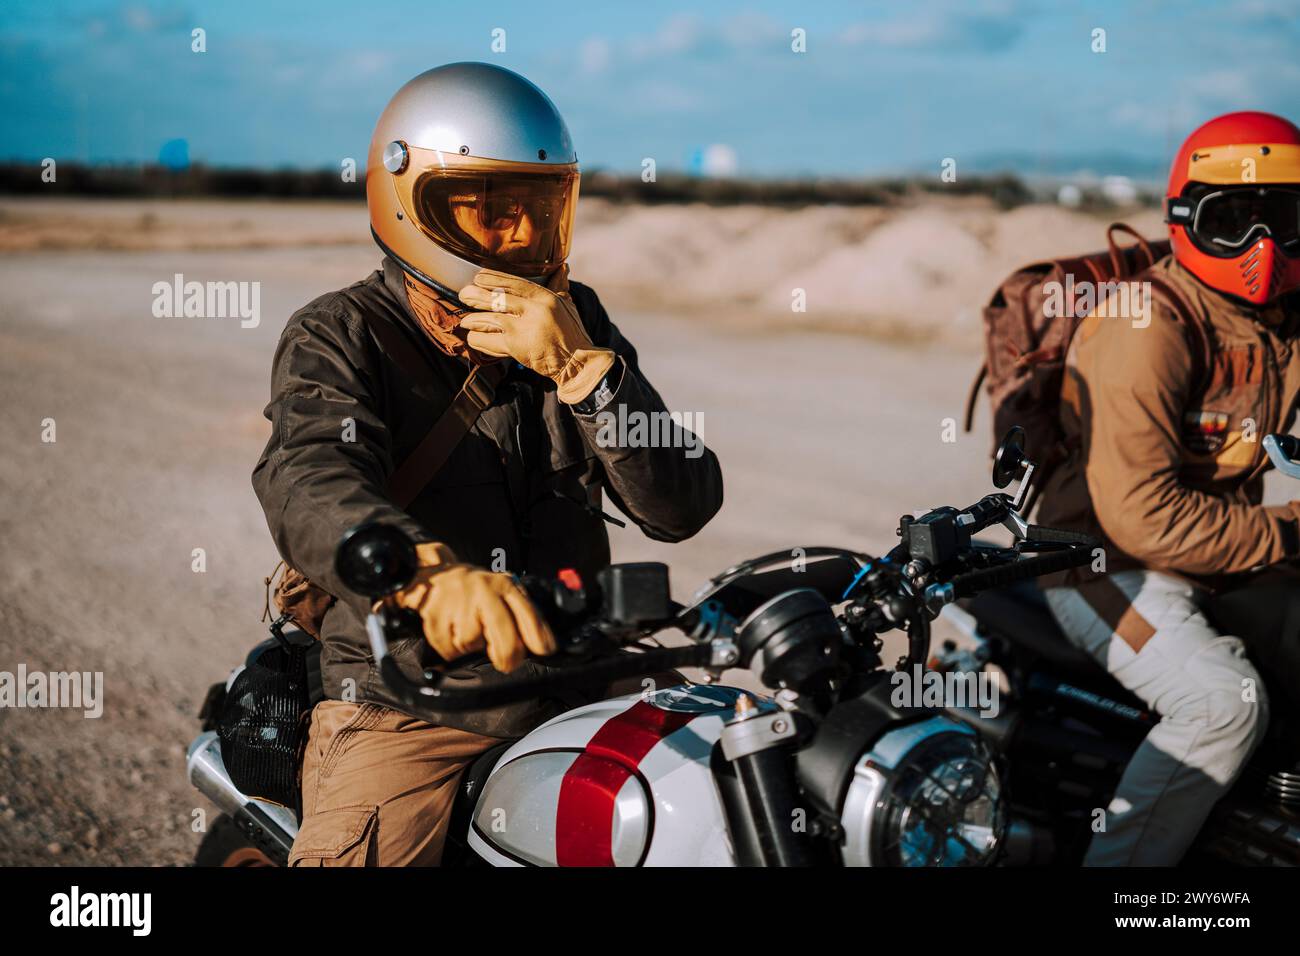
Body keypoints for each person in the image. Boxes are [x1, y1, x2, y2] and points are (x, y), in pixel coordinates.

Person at [251, 62, 723, 866]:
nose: (513, 239)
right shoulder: (340, 333)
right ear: (408, 205)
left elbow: (680, 505)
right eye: (481, 209)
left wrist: (587, 373)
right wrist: (424, 576)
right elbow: (310, 477)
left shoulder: (575, 319)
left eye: (533, 212)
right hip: (413, 700)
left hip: (582, 672)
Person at [1037, 111, 1300, 866]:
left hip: (1218, 552)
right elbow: (1143, 518)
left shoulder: (1280, 323)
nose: (1262, 249)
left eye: (1282, 219)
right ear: (1185, 221)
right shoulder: (1145, 323)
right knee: (1222, 705)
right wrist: (1290, 530)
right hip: (1103, 564)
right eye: (1233, 223)